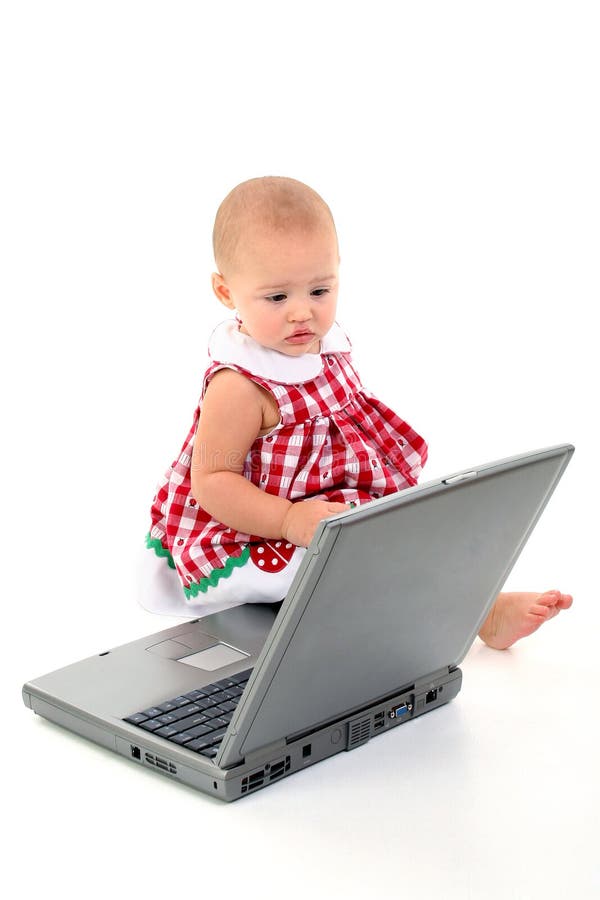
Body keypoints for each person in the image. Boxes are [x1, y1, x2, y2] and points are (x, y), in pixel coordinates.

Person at [143, 175, 572, 650]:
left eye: (319, 290)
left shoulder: (324, 346)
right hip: (258, 529)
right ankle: (476, 616)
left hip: (331, 501)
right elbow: (212, 481)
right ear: (226, 292)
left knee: (412, 535)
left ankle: (479, 607)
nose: (302, 313)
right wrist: (287, 520)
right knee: (362, 572)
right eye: (278, 297)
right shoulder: (240, 385)